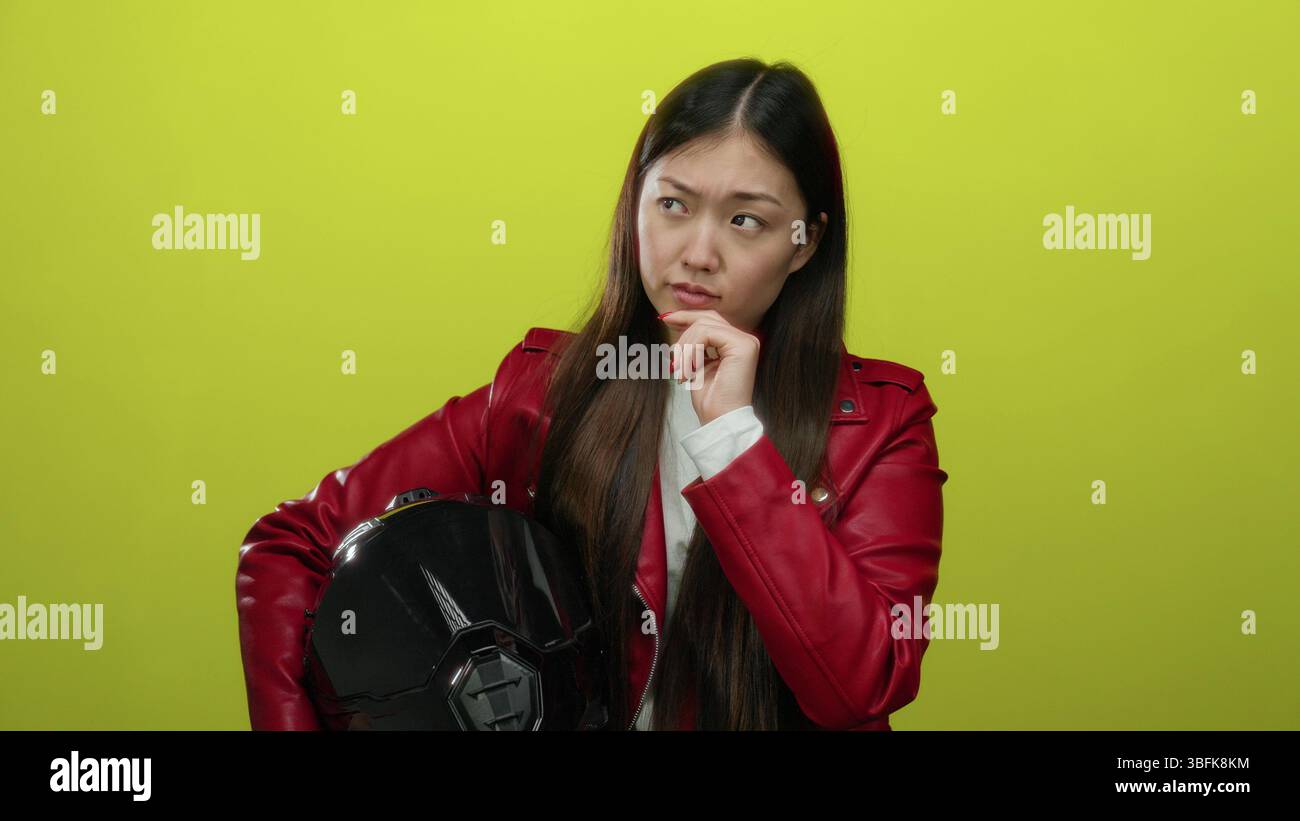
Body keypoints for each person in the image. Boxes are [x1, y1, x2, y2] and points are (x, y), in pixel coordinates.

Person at [235, 57, 948, 731]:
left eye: (745, 220)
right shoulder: (546, 391)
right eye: (673, 203)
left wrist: (733, 436)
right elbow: (289, 543)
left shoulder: (880, 424)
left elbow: (858, 685)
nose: (698, 252)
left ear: (805, 241)